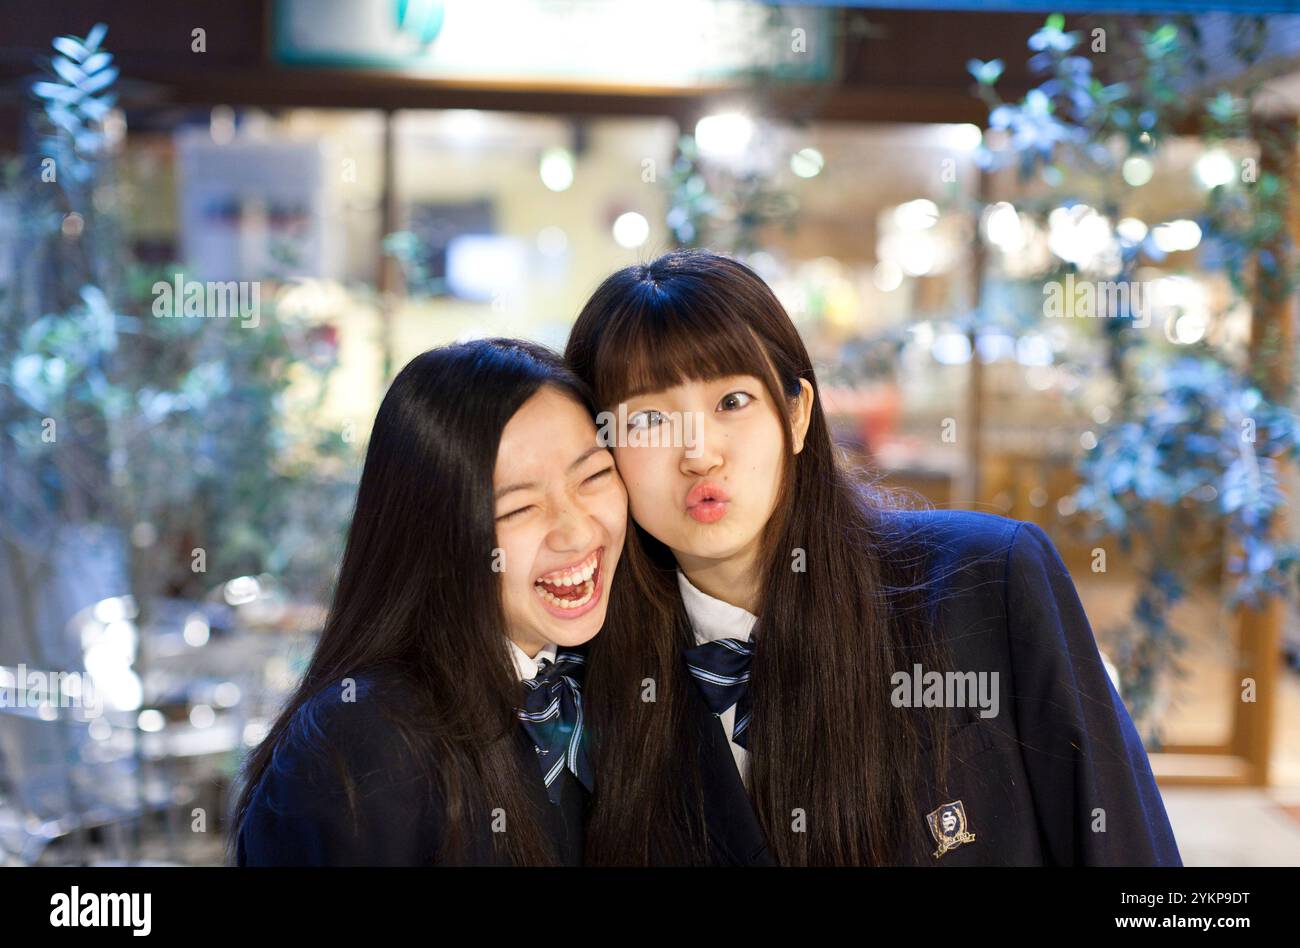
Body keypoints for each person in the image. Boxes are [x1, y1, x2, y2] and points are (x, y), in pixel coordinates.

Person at [566, 248, 1182, 866]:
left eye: (731, 402)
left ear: (797, 414)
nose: (698, 453)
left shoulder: (989, 581)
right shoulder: (593, 683)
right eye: (648, 419)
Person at [231, 338, 628, 865]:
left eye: (595, 476)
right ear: (432, 533)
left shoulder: (587, 680)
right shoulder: (367, 740)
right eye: (518, 509)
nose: (577, 532)